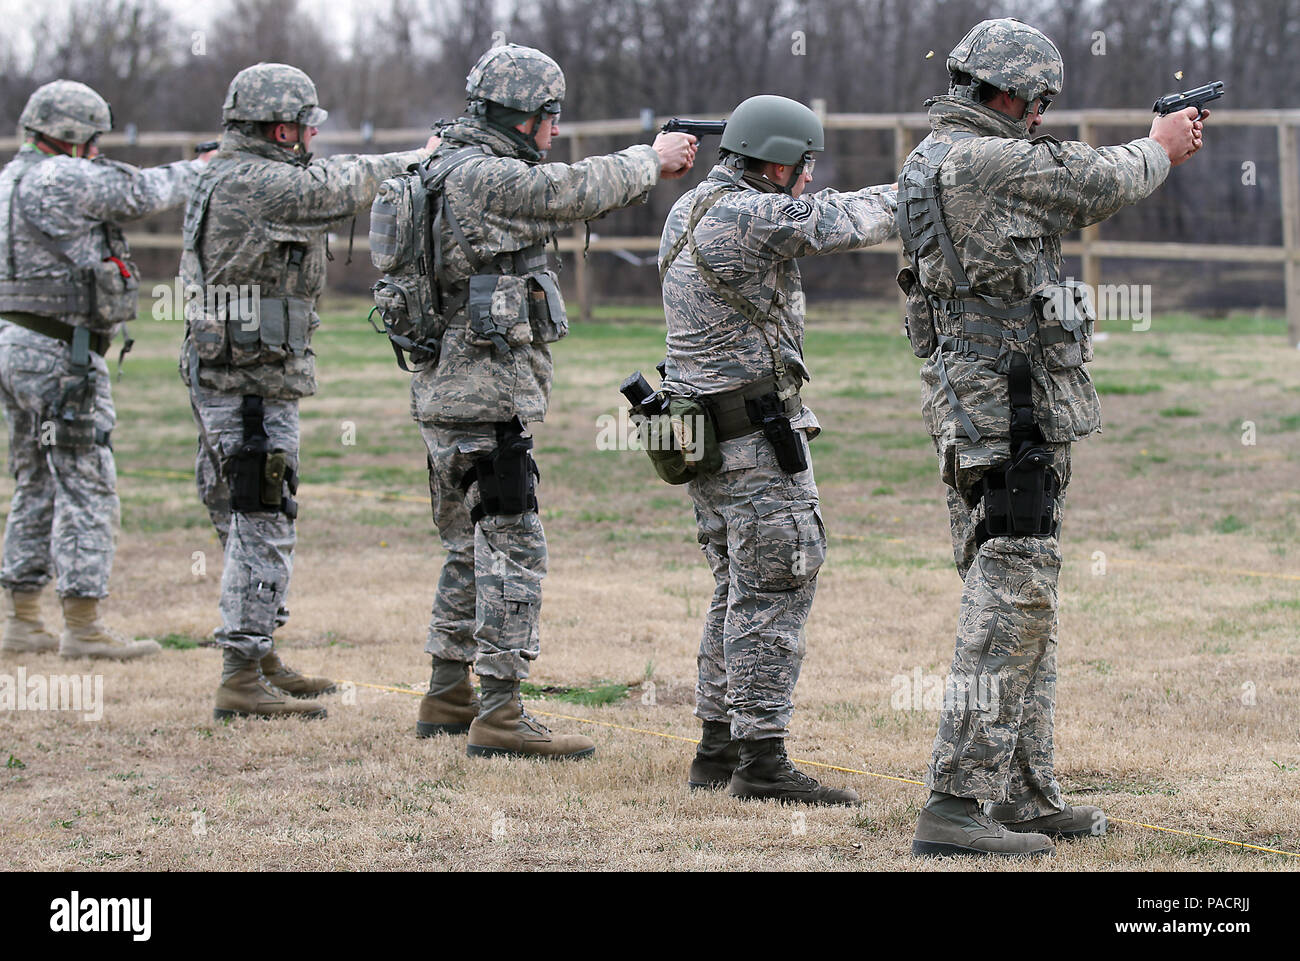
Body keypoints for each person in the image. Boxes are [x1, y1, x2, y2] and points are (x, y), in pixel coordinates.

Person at [899, 18, 1206, 857]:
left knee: (1021, 591)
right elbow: (1097, 181)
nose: (1039, 116)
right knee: (1011, 595)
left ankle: (1024, 792)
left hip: (986, 400)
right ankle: (957, 801)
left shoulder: (932, 156)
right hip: (1010, 406)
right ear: (1010, 94)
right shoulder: (985, 160)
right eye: (1036, 103)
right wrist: (1159, 145)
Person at [410, 43, 696, 758]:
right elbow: (567, 192)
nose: (555, 132)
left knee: (466, 548)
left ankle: (449, 693)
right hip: (481, 400)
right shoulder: (482, 177)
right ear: (518, 118)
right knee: (512, 550)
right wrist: (649, 160)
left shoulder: (436, 164)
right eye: (548, 117)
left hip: (445, 394)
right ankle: (500, 714)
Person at [657, 95, 897, 803]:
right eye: (805, 166)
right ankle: (761, 760)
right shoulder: (748, 214)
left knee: (735, 587)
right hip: (754, 442)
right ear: (777, 162)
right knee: (775, 589)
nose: (810, 180)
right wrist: (924, 182)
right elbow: (846, 220)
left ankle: (716, 746)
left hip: (708, 437)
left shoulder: (690, 209)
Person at [180, 62, 438, 719]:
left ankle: (260, 654)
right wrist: (423, 157)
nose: (308, 139)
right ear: (279, 126)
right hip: (250, 382)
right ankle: (242, 673)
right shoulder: (256, 178)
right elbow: (343, 183)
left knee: (247, 510)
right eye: (302, 127)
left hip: (236, 371)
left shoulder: (223, 168)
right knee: (264, 513)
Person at [0, 80, 205, 660]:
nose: (95, 148)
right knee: (87, 481)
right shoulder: (57, 176)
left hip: (14, 344)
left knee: (33, 480)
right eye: (91, 138)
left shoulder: (9, 179)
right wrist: (207, 166)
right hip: (60, 352)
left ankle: (22, 618)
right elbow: (141, 192)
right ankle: (84, 625)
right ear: (70, 134)